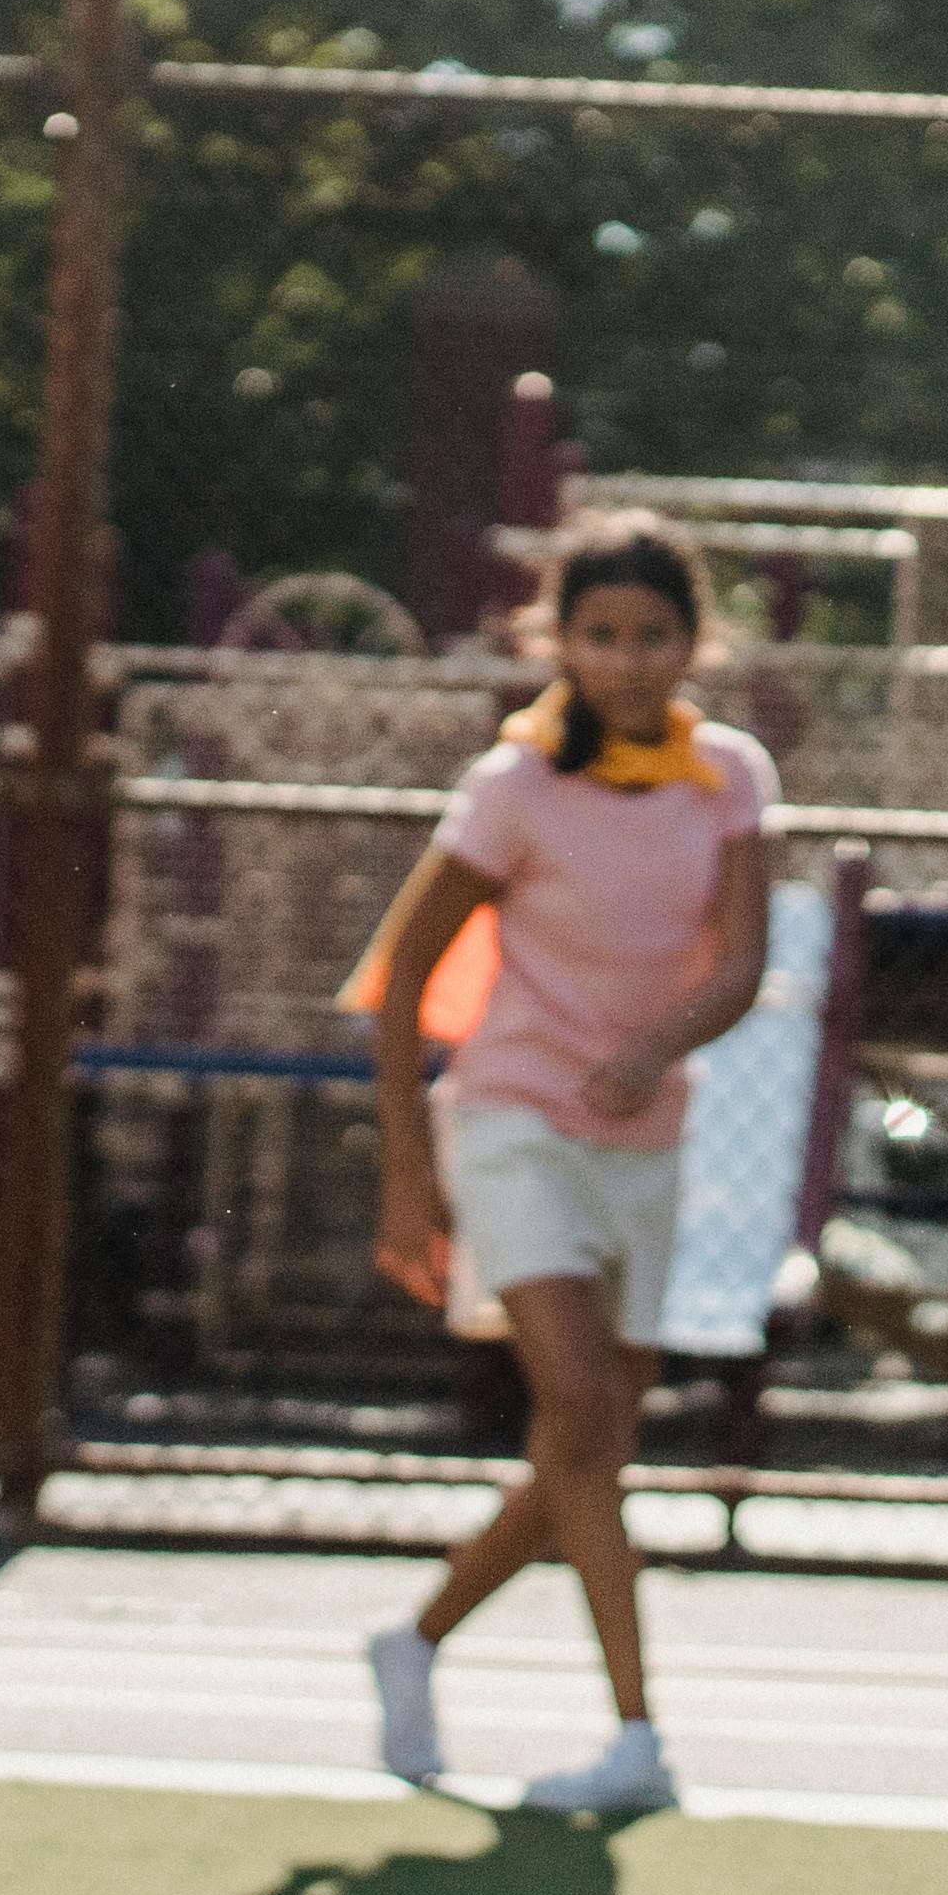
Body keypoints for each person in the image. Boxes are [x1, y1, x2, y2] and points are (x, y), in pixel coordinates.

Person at [353, 510, 775, 1822]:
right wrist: (409, 1179)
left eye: (653, 635)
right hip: (514, 1118)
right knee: (583, 1402)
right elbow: (403, 974)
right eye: (602, 634)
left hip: (645, 1137)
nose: (629, 659)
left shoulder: (733, 779)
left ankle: (415, 1639)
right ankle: (638, 1735)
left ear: (693, 642)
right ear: (560, 641)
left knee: (585, 1441)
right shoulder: (510, 787)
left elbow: (745, 964)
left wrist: (661, 1043)